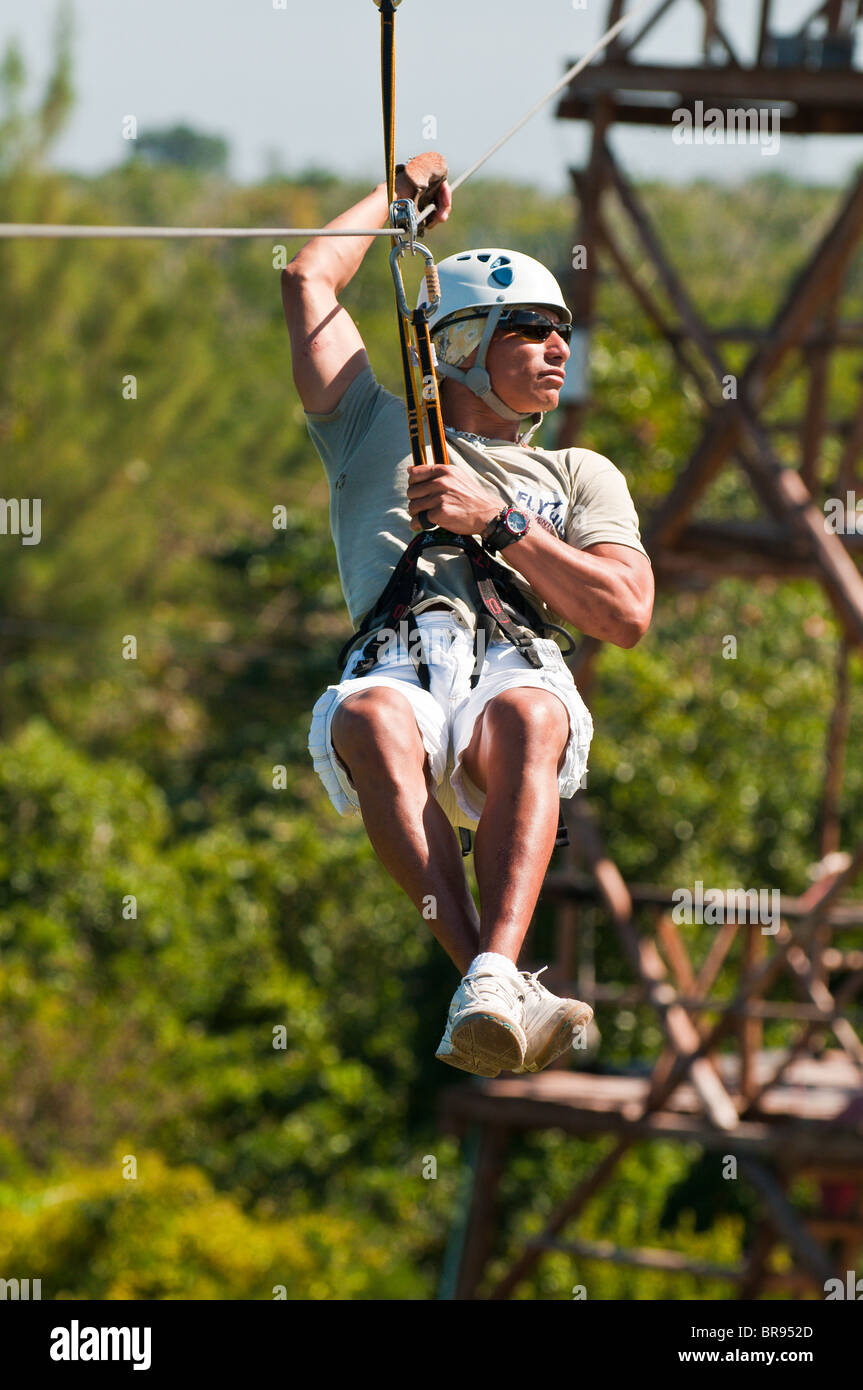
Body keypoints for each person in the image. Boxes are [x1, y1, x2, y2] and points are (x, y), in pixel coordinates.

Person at [281, 152, 654, 1078]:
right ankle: (489, 982)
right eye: (529, 330)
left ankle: (490, 971)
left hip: (512, 668)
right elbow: (308, 278)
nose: (558, 349)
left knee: (529, 716)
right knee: (368, 717)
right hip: (398, 662)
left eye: (562, 332)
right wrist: (393, 201)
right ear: (456, 343)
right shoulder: (370, 427)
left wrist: (499, 523)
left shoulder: (578, 474)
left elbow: (623, 613)